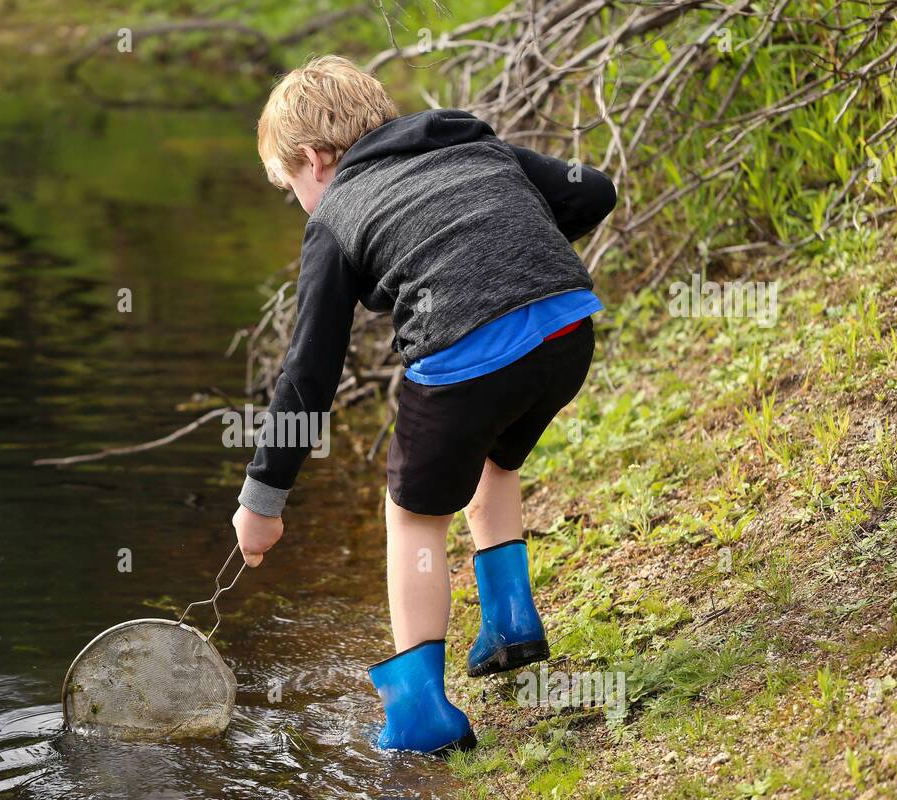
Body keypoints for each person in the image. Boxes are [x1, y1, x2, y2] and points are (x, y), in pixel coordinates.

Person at [232, 55, 616, 754]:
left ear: (316, 161)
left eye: (292, 186)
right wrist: (510, 252)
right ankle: (508, 619)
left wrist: (262, 503)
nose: (300, 202)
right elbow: (593, 191)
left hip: (469, 357)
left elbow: (309, 374)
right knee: (493, 454)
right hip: (567, 333)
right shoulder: (469, 141)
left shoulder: (337, 214)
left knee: (412, 517)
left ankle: (418, 717)